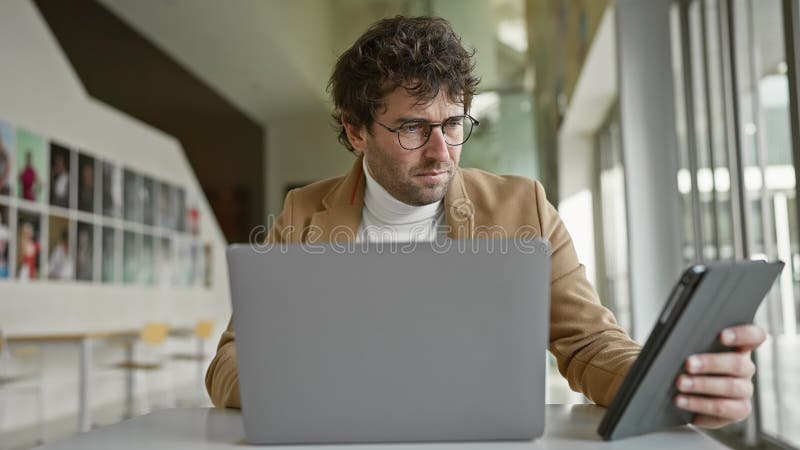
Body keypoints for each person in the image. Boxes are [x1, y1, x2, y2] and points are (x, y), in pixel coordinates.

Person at [206, 16, 764, 429]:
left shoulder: (524, 207)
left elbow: (590, 344)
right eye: (411, 129)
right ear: (356, 132)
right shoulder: (305, 214)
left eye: (453, 124)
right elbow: (230, 362)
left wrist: (670, 383)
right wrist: (304, 385)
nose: (441, 151)